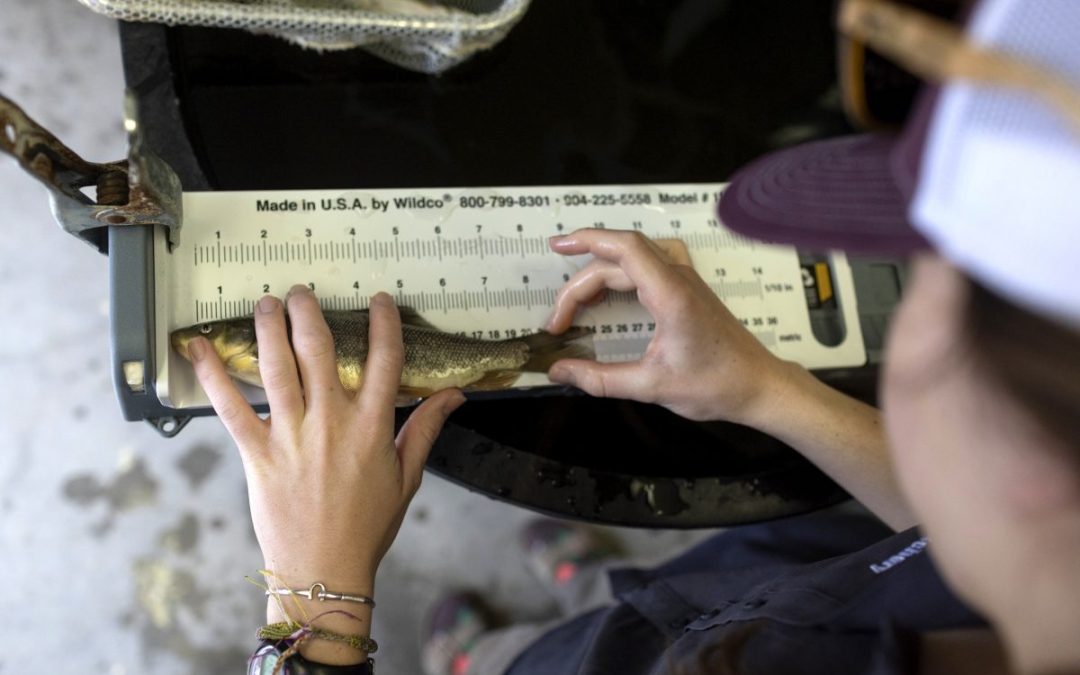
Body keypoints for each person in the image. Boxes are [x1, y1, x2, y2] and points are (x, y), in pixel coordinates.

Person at [185, 0, 1080, 672]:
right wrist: (766, 390)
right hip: (727, 598)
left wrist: (317, 603)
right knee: (603, 626)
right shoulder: (1037, 575)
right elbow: (939, 535)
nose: (904, 294)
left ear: (1036, 463)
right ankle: (544, 618)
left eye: (935, 271)